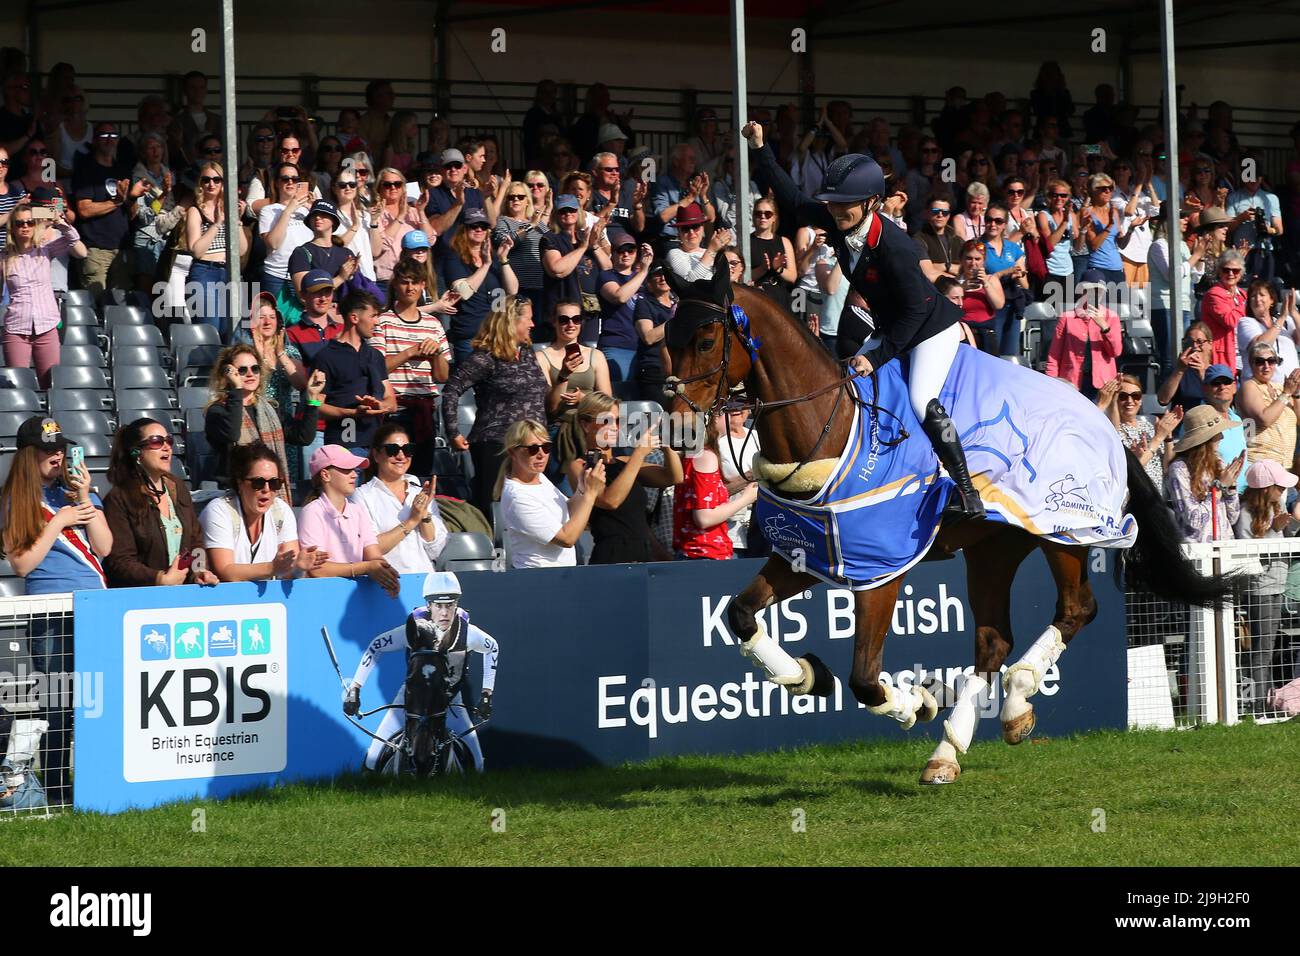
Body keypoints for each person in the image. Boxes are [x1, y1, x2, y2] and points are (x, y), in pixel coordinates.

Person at [744, 120, 985, 518]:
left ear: (873, 202)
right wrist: (761, 147)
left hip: (930, 330)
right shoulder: (841, 223)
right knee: (845, 386)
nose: (836, 209)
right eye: (834, 202)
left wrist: (875, 356)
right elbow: (790, 197)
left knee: (921, 399)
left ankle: (966, 490)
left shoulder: (896, 247)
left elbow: (917, 310)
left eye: (845, 203)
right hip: (893, 325)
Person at [0, 417, 111, 808]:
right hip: (52, 611)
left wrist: (82, 498)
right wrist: (59, 522)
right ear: (29, 456)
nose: (57, 455)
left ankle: (100, 786)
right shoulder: (14, 500)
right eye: (48, 450)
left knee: (99, 700)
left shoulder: (75, 493)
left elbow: (106, 546)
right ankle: (60, 793)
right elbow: (21, 564)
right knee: (59, 705)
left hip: (96, 606)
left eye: (60, 449)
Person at [343, 571, 498, 772]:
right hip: (410, 702)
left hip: (450, 701)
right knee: (373, 757)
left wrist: (487, 693)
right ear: (428, 606)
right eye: (438, 605)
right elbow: (376, 645)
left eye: (450, 605)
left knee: (478, 765)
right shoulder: (413, 630)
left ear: (456, 605)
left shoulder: (468, 633)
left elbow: (492, 647)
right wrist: (355, 688)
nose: (444, 613)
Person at [441, 296, 549, 522]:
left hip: (533, 446)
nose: (532, 324)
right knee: (496, 510)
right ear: (511, 321)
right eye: (528, 319)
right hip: (497, 446)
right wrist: (453, 432)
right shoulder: (486, 357)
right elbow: (452, 389)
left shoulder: (528, 353)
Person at [560, 392, 682, 564]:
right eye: (606, 421)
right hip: (611, 556)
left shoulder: (625, 462)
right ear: (585, 425)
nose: (614, 427)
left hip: (643, 555)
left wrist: (666, 442)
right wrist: (639, 454)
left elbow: (673, 477)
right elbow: (610, 501)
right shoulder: (578, 466)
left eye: (617, 421)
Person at [102, 418, 220, 588]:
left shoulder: (177, 487)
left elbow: (196, 540)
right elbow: (120, 561)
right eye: (156, 442)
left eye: (169, 440)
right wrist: (159, 579)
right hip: (141, 600)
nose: (167, 447)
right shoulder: (119, 498)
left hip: (183, 595)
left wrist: (200, 569)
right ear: (137, 453)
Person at [204, 342, 324, 500]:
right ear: (227, 374)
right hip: (236, 496)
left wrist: (312, 400)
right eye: (242, 370)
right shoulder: (217, 411)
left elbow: (303, 437)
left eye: (255, 368)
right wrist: (236, 390)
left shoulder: (270, 409)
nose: (250, 374)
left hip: (272, 491)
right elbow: (233, 434)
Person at [200, 442, 327, 582]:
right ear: (240, 483)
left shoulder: (281, 511)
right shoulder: (219, 511)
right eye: (258, 482)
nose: (266, 489)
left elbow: (286, 573)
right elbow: (225, 571)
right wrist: (271, 568)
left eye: (274, 483)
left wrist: (298, 567)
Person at [1234, 460, 1300, 714]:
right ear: (1265, 489)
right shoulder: (1245, 513)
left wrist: (1283, 529)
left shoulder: (1277, 508)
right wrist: (1275, 530)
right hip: (1259, 588)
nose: (1283, 491)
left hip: (1276, 585)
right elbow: (1253, 552)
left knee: (1267, 649)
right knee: (1260, 652)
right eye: (1279, 487)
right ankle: (1257, 707)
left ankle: (1261, 705)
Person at [497, 418, 606, 568]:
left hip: (560, 575)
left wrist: (583, 488)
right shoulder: (517, 496)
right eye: (533, 449)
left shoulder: (539, 477)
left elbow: (566, 510)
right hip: (538, 579)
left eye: (546, 447)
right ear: (513, 452)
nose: (541, 454)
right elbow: (567, 538)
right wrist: (590, 494)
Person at [297, 444, 400, 594]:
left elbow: (374, 554)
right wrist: (366, 567)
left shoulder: (358, 510)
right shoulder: (312, 512)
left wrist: (386, 574)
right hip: (324, 597)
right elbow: (318, 570)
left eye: (353, 469)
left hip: (356, 596)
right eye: (346, 469)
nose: (354, 475)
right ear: (325, 475)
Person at [3, 200, 85, 388]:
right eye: (19, 223)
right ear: (13, 228)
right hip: (16, 327)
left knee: (50, 383)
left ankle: (48, 418)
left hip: (46, 326)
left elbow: (74, 241)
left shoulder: (46, 249)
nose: (25, 227)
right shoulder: (4, 257)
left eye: (30, 222)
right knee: (17, 385)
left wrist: (60, 222)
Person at [352, 422, 448, 573]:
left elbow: (435, 550)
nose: (401, 456)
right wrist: (411, 521)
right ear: (376, 455)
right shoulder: (362, 495)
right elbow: (369, 549)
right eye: (392, 450)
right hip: (387, 582)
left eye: (408, 449)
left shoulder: (421, 493)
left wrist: (424, 516)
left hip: (425, 580)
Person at [311, 290, 396, 453]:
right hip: (343, 447)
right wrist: (352, 413)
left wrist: (380, 405)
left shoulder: (375, 356)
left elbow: (391, 401)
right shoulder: (325, 357)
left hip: (377, 448)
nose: (377, 322)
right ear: (354, 318)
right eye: (373, 316)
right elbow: (315, 404)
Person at [73, 121, 147, 298]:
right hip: (95, 249)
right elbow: (84, 209)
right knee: (94, 304)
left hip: (122, 249)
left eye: (113, 136)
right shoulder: (86, 170)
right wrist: (117, 201)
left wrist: (132, 198)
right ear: (94, 140)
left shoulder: (123, 170)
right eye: (104, 136)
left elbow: (132, 213)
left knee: (121, 306)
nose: (109, 140)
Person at [436, 208, 518, 361]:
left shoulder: (494, 256)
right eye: (474, 226)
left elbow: (512, 290)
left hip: (497, 334)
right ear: (464, 229)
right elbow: (463, 292)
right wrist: (485, 265)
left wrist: (503, 259)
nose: (479, 229)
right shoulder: (454, 257)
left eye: (483, 226)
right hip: (471, 338)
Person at [674, 416, 758, 560]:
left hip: (697, 554)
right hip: (705, 555)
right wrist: (747, 498)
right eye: (724, 412)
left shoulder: (695, 454)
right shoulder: (706, 456)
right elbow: (704, 518)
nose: (730, 417)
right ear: (714, 419)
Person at [1164, 404, 1245, 543]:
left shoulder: (1219, 463)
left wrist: (1231, 487)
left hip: (1224, 547)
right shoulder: (1179, 469)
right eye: (1217, 433)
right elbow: (1193, 519)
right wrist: (1219, 487)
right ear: (1205, 440)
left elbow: (1233, 517)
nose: (1222, 437)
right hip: (1197, 553)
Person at [185, 160, 246, 339]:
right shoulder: (195, 211)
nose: (211, 184)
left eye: (216, 179)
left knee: (231, 330)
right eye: (206, 180)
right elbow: (196, 250)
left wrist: (237, 221)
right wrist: (218, 223)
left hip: (229, 271)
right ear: (200, 184)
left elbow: (241, 250)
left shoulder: (229, 209)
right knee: (209, 329)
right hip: (204, 271)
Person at [539, 194, 609, 342]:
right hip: (563, 315)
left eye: (572, 210)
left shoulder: (585, 237)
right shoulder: (550, 238)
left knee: (587, 357)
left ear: (579, 212)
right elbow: (557, 270)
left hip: (588, 314)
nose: (568, 214)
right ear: (556, 215)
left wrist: (594, 244)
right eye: (563, 211)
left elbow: (608, 268)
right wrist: (582, 248)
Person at [1045, 269, 1123, 399]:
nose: (1095, 294)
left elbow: (1115, 352)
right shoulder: (1067, 317)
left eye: (1099, 290)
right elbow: (1054, 355)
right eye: (1091, 289)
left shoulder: (1112, 317)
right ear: (1082, 291)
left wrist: (1104, 326)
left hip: (1103, 384)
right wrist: (1051, 383)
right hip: (1072, 383)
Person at [537, 299, 613, 427]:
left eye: (576, 319)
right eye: (564, 320)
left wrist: (583, 399)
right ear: (554, 322)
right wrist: (563, 375)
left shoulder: (596, 355)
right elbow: (551, 408)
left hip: (591, 425)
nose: (571, 324)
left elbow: (608, 404)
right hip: (559, 425)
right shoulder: (542, 357)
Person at [1148, 210, 1206, 378]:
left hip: (1185, 304)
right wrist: (1195, 256)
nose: (1186, 219)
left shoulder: (1181, 245)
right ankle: (1166, 399)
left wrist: (1199, 258)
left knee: (1184, 354)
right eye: (1181, 216)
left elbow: (1194, 277)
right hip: (1164, 305)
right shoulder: (1159, 245)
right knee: (1168, 357)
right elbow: (1171, 276)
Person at [1096, 373, 1180, 488]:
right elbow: (1129, 474)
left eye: (1135, 396)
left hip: (1159, 497)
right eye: (1123, 396)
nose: (1130, 401)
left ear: (1141, 400)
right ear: (1115, 400)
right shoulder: (1113, 430)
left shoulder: (1151, 424)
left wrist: (1168, 436)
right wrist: (1158, 437)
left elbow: (1167, 468)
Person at [597, 233, 654, 384]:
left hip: (644, 348)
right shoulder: (606, 276)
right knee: (621, 398)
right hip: (617, 346)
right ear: (613, 253)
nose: (626, 254)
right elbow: (619, 296)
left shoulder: (644, 279)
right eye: (621, 250)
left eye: (631, 250)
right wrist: (643, 271)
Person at [1238, 341, 1300, 474]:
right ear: (1251, 363)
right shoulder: (1249, 386)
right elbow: (1265, 419)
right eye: (1260, 361)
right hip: (1261, 464)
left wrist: (1296, 395)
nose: (1266, 366)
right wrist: (1287, 393)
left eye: (1271, 361)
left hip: (1284, 465)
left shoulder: (1280, 388)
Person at [287, 199, 356, 301]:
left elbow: (355, 289)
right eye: (314, 215)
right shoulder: (301, 253)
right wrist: (341, 278)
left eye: (324, 214)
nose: (318, 218)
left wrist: (352, 276)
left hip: (343, 313)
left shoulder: (346, 253)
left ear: (334, 221)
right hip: (315, 314)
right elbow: (303, 296)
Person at [1237, 282, 1298, 386]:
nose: (1257, 299)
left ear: (1272, 300)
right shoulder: (1246, 322)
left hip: (1293, 387)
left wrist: (1293, 312)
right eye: (1253, 296)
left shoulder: (1286, 321)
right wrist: (1282, 317)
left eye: (1262, 294)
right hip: (1262, 389)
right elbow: (1260, 346)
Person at [1201, 250, 1249, 374]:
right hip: (1223, 356)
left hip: (1243, 358)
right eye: (1226, 270)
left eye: (1235, 270)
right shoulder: (1214, 294)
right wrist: (1245, 305)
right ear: (1219, 271)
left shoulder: (1243, 295)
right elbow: (1230, 321)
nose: (1231, 274)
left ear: (1241, 273)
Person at [748, 196, 797, 310]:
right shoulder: (746, 242)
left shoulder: (784, 242)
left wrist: (778, 269)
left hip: (780, 297)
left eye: (767, 214)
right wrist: (763, 268)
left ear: (774, 217)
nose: (763, 217)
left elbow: (793, 277)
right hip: (756, 296)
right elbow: (742, 277)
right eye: (758, 213)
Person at [1157, 320, 1214, 410]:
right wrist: (1179, 370)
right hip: (1184, 421)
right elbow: (1163, 400)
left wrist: (1203, 374)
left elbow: (1219, 402)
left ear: (1210, 344)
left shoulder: (1217, 372)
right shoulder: (1178, 372)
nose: (1195, 346)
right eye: (1190, 342)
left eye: (1200, 341)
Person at [666, 202, 730, 281]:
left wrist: (723, 251)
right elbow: (690, 282)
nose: (691, 232)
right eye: (685, 228)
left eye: (695, 226)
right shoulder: (675, 253)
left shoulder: (711, 252)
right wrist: (711, 250)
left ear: (703, 228)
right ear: (679, 232)